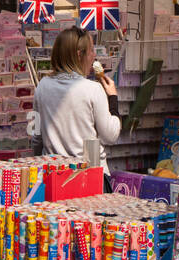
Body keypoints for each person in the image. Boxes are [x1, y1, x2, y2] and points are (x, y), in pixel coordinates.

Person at [33, 25, 121, 171]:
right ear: (80, 55)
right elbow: (110, 135)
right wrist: (113, 98)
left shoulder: (42, 86)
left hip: (54, 173)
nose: (94, 56)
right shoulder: (93, 89)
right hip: (89, 173)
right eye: (91, 50)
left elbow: (36, 134)